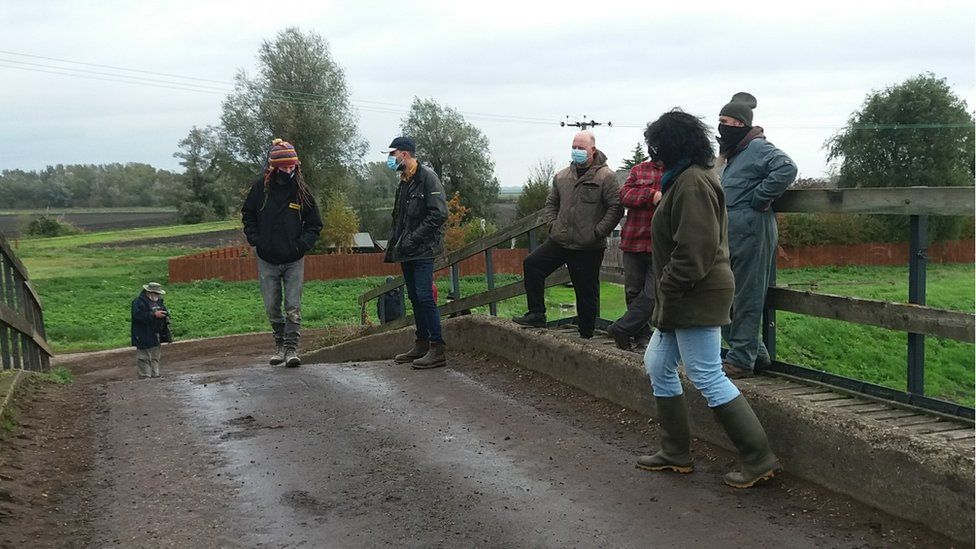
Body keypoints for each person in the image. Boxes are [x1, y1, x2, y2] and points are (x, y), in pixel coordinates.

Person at [636, 109, 780, 489]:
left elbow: (695, 251)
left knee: (706, 374)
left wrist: (668, 287)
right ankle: (675, 452)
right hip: (682, 293)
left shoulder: (693, 183)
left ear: (672, 145)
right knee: (657, 364)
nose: (654, 155)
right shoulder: (683, 179)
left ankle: (758, 457)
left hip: (694, 294)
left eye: (658, 146)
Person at [716, 93, 798, 378]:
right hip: (731, 234)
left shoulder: (758, 149)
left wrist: (760, 196)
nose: (720, 127)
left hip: (752, 231)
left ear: (739, 123)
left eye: (724, 121)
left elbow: (787, 168)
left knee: (747, 296)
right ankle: (755, 353)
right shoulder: (734, 155)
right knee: (723, 295)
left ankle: (740, 360)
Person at [512, 131, 623, 339]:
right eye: (574, 147)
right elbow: (551, 204)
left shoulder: (606, 176)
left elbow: (615, 208)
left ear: (593, 150)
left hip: (588, 245)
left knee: (586, 291)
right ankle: (536, 313)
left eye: (581, 148)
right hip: (560, 240)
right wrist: (553, 225)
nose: (576, 151)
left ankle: (586, 335)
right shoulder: (562, 176)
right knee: (532, 264)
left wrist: (598, 232)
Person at [241, 139, 323, 367]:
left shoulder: (301, 191)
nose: (290, 170)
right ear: (274, 167)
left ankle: (291, 349)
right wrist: (256, 240)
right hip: (267, 258)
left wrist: (301, 245)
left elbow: (315, 224)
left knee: (293, 307)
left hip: (293, 258)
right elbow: (247, 215)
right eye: (285, 167)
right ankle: (279, 345)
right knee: (272, 307)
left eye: (292, 166)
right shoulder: (260, 189)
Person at [384, 136, 449, 369]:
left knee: (424, 295)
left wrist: (413, 239)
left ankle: (436, 347)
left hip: (423, 248)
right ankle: (421, 343)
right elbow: (399, 219)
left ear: (404, 154)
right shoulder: (404, 182)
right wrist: (397, 244)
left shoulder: (427, 178)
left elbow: (439, 214)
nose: (390, 159)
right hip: (407, 249)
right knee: (414, 296)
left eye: (393, 154)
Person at [606, 158, 663, 351]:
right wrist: (651, 195)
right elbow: (625, 195)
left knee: (652, 294)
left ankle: (621, 328)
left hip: (661, 244)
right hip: (634, 240)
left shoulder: (679, 170)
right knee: (633, 292)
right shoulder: (639, 170)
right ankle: (642, 337)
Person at [130, 282, 169, 379]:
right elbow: (137, 316)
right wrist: (153, 315)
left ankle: (155, 375)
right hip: (142, 333)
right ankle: (145, 377)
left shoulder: (159, 301)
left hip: (156, 333)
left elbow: (163, 310)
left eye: (158, 293)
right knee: (144, 356)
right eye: (156, 293)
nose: (158, 295)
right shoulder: (138, 302)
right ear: (149, 292)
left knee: (155, 356)